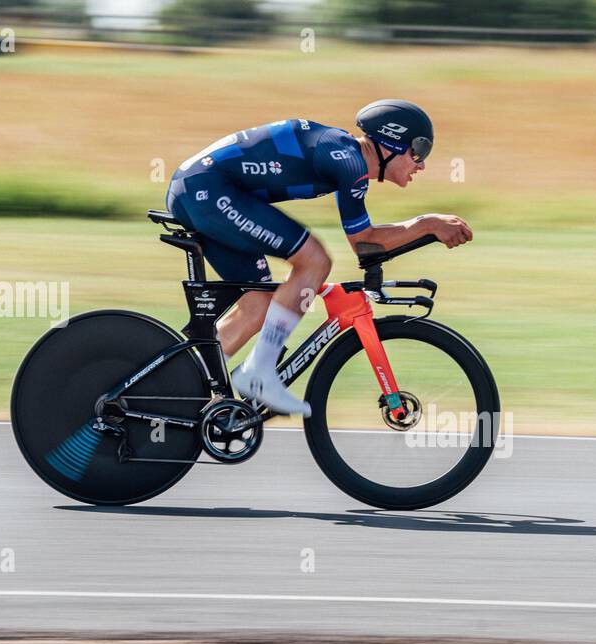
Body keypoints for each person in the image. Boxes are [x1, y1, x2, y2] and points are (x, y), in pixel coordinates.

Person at [164, 99, 473, 416]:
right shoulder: (348, 161)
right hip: (207, 191)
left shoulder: (345, 158)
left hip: (200, 189)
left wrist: (425, 228)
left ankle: (175, 388)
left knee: (257, 307)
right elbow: (363, 242)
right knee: (314, 260)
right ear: (390, 142)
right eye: (418, 151)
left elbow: (366, 241)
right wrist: (426, 225)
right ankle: (260, 371)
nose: (421, 165)